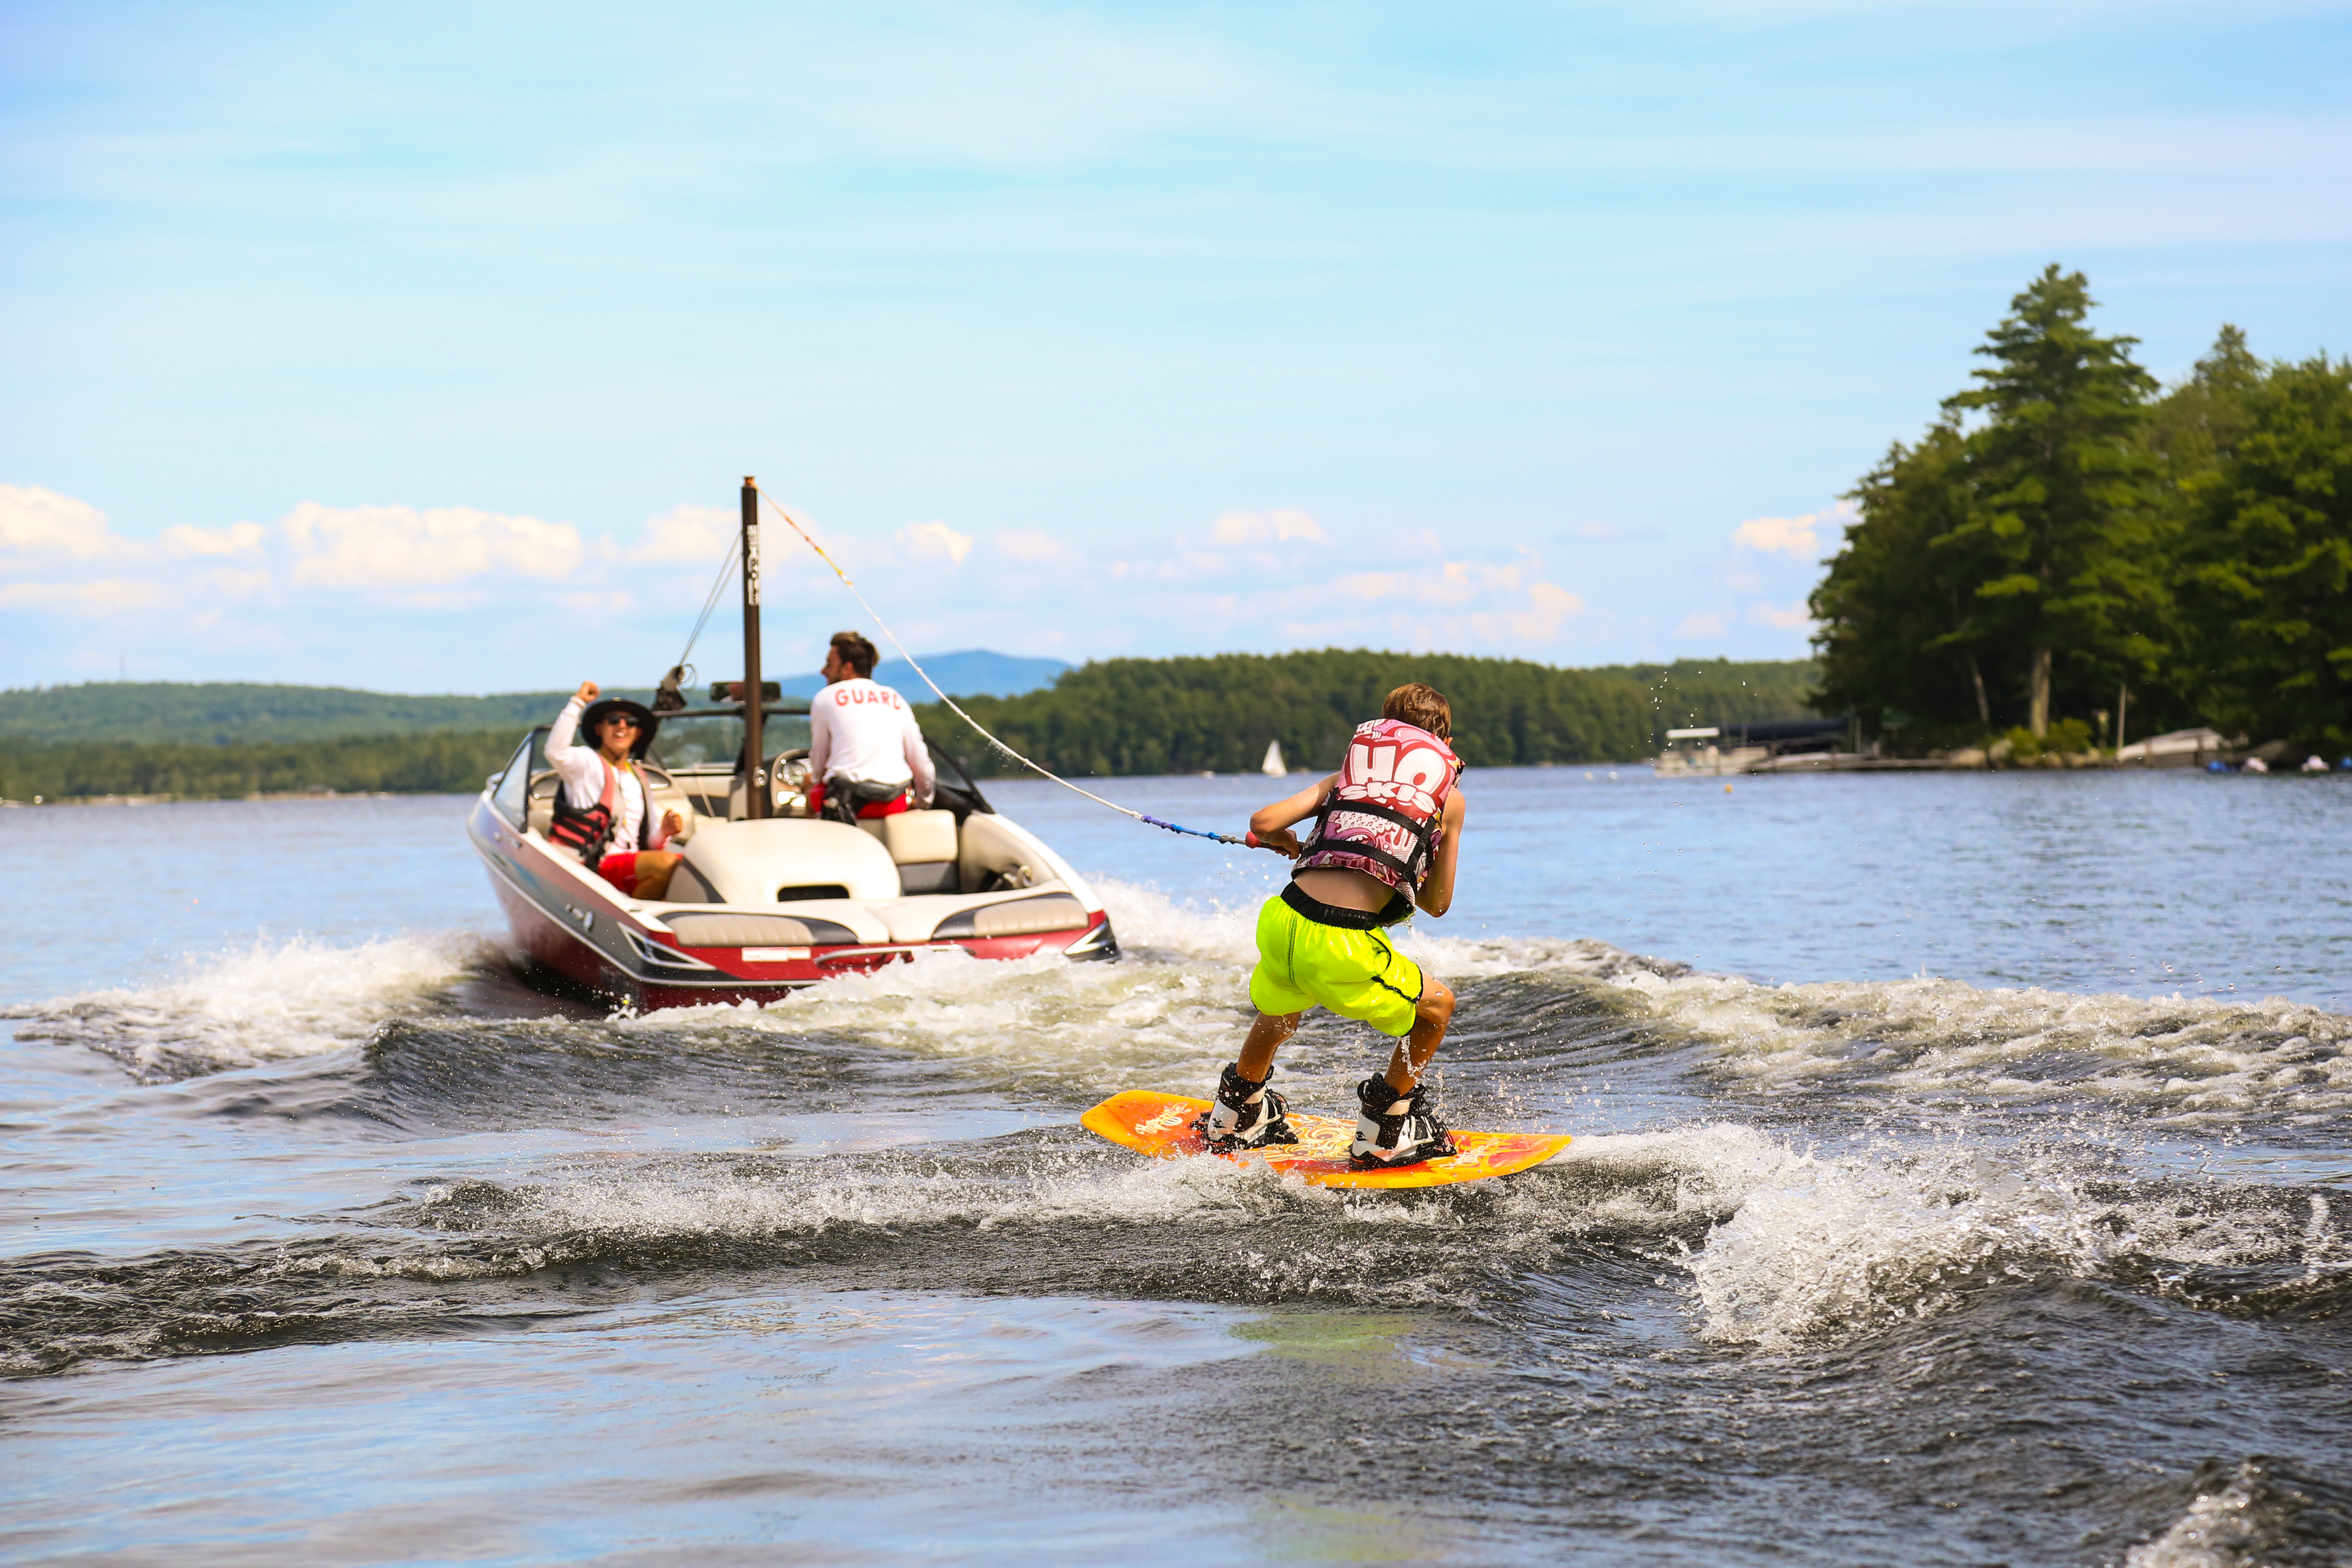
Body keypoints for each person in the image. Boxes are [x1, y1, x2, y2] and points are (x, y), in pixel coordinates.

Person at [1206, 683, 1468, 1169]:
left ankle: (1237, 1113)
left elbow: (1262, 822)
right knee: (1436, 1008)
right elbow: (1437, 905)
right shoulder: (1447, 800)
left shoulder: (1343, 780)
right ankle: (1386, 1129)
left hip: (1282, 919)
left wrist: (1289, 842)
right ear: (1442, 745)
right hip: (1339, 939)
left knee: (1283, 1008)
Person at [545, 681, 687, 899]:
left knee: (689, 865)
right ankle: (636, 917)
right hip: (595, 867)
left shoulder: (640, 777)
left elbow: (650, 842)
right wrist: (578, 702)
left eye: (630, 722)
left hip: (629, 866)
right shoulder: (586, 763)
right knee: (670, 862)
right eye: (614, 721)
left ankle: (636, 916)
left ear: (637, 733)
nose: (622, 726)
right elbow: (555, 752)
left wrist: (665, 832)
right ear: (599, 729)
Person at [806, 630, 934, 824]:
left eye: (829, 664)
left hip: (847, 801)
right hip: (895, 801)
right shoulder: (895, 697)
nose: (823, 671)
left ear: (847, 668)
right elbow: (922, 763)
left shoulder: (825, 697)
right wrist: (923, 803)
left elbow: (819, 763)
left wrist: (812, 782)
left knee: (811, 789)